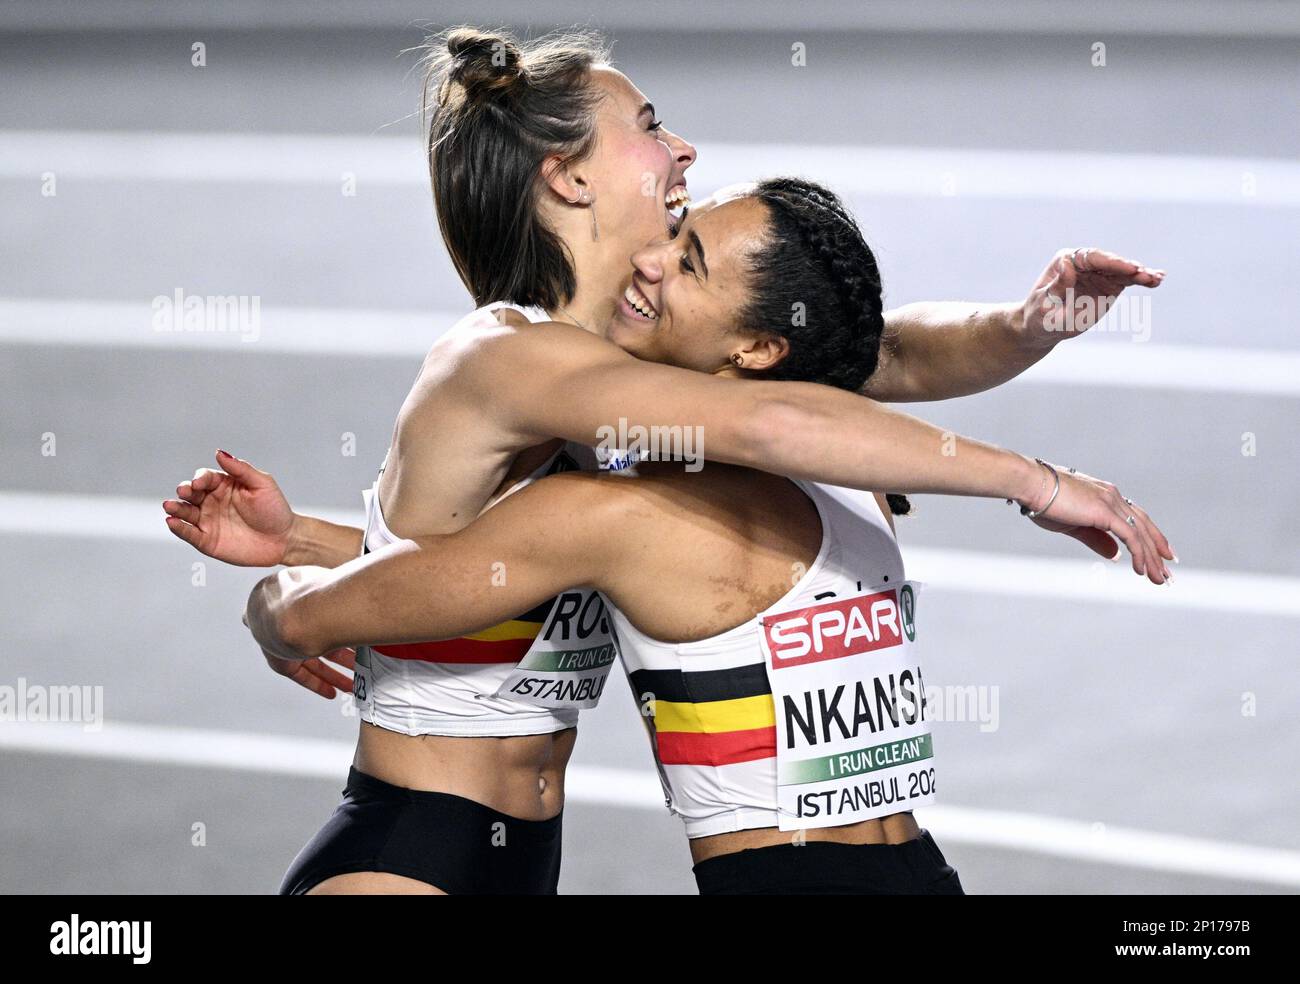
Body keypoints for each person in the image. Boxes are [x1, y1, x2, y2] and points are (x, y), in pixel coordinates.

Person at [164, 27, 1166, 895]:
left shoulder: (631, 377)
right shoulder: (514, 357)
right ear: (570, 175)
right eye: (649, 125)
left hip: (518, 851)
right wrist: (1037, 483)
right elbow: (780, 423)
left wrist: (1033, 322)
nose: (682, 146)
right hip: (409, 843)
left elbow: (875, 356)